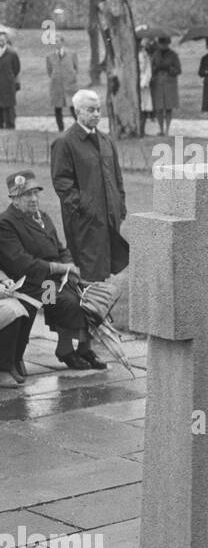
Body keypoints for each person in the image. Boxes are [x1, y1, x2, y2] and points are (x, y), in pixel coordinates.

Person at [0, 170, 105, 371]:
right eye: (26, 195)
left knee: (92, 295)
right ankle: (65, 349)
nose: (33, 199)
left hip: (56, 277)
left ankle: (84, 347)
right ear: (14, 199)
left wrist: (71, 270)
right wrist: (61, 268)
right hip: (31, 282)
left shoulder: (43, 217)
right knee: (65, 300)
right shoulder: (6, 222)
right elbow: (21, 263)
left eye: (35, 193)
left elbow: (60, 248)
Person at [50, 89, 129, 283]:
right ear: (78, 112)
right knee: (87, 272)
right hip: (84, 221)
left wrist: (120, 205)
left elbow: (117, 177)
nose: (96, 114)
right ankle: (88, 312)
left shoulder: (106, 140)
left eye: (98, 109)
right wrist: (85, 207)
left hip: (109, 218)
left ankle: (100, 311)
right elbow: (62, 182)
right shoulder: (65, 142)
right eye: (91, 110)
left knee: (105, 270)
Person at [46, 33, 79, 133]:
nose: (56, 43)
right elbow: (49, 71)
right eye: (54, 42)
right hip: (56, 86)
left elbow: (76, 68)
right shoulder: (49, 56)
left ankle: (80, 127)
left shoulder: (72, 54)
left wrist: (70, 77)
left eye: (58, 41)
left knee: (73, 107)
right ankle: (60, 129)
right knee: (57, 108)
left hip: (70, 85)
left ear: (62, 42)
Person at [149, 35, 182, 136]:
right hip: (158, 83)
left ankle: (167, 129)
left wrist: (169, 69)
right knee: (159, 107)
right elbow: (151, 68)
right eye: (161, 43)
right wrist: (157, 68)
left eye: (165, 44)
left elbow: (178, 70)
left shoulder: (173, 55)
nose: (163, 46)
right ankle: (161, 129)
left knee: (168, 107)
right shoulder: (155, 54)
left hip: (169, 83)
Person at [0, 31, 18, 128]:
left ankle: (10, 126)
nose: (1, 41)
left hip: (8, 84)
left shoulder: (12, 53)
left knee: (9, 107)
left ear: (6, 40)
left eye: (2, 40)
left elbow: (16, 68)